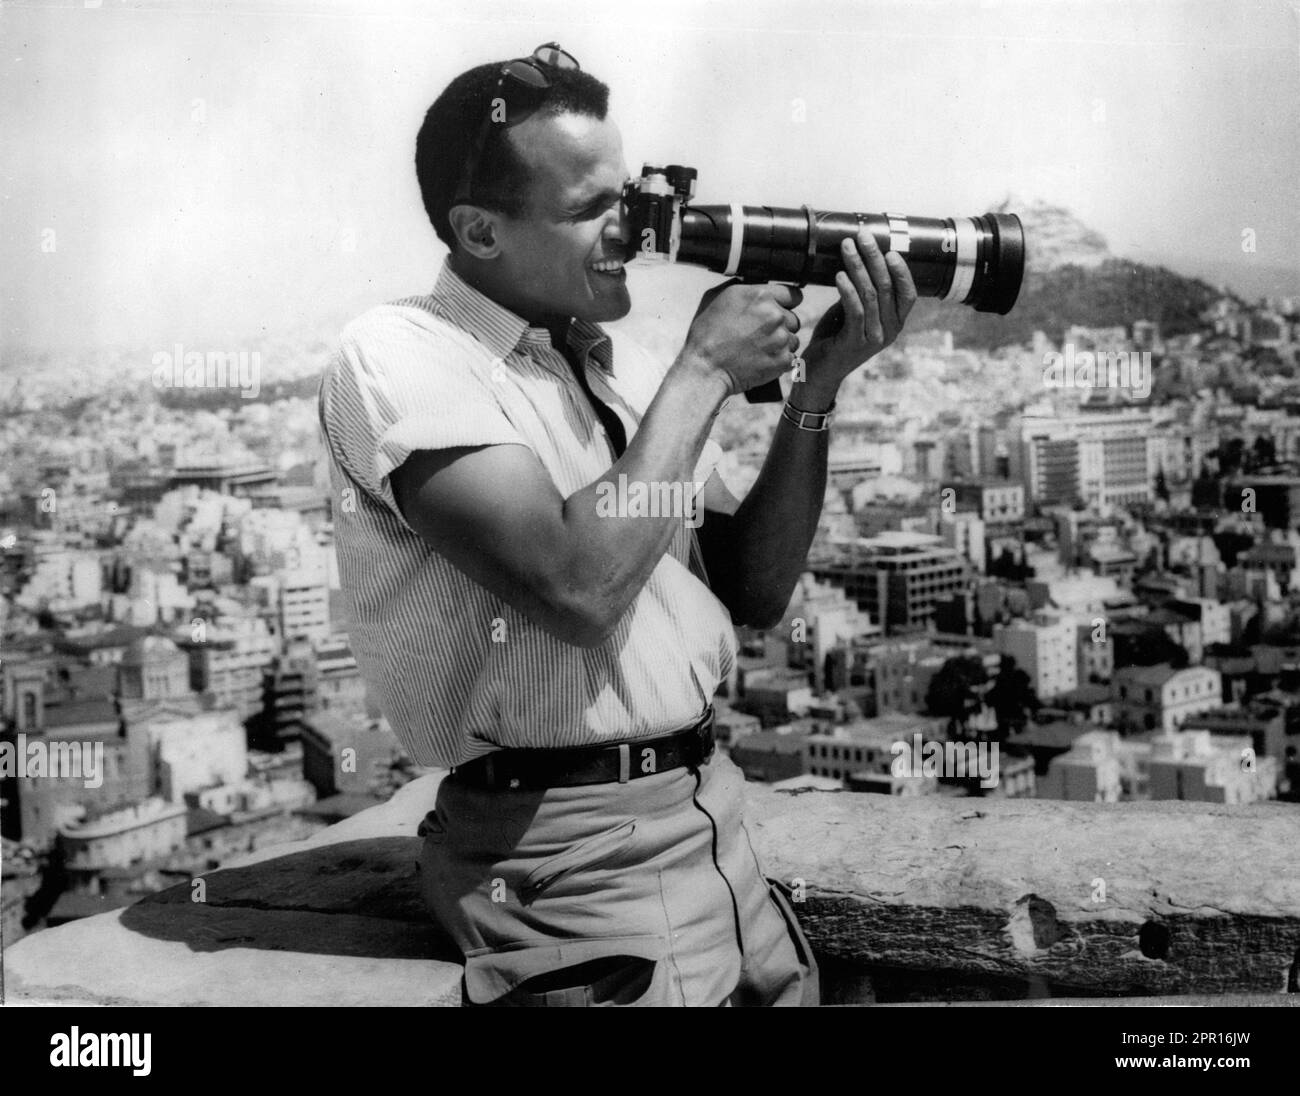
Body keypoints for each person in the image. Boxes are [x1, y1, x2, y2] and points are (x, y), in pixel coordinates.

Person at [318, 42, 915, 1006]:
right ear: (478, 231)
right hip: (564, 863)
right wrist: (706, 371)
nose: (631, 230)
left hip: (714, 829)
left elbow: (752, 587)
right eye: (591, 208)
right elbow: (576, 587)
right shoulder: (399, 358)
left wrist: (817, 391)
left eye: (627, 195)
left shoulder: (625, 365)